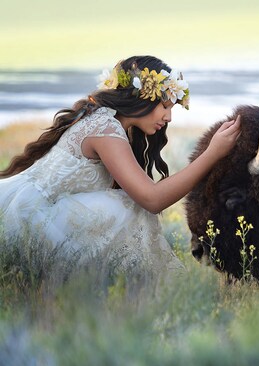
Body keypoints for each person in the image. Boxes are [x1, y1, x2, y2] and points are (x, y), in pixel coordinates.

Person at [0, 54, 241, 285]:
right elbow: (152, 199)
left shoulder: (106, 121)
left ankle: (127, 290)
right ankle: (148, 292)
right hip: (32, 219)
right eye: (165, 106)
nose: (168, 118)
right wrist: (212, 153)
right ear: (142, 98)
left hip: (36, 210)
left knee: (124, 202)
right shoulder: (106, 129)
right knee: (127, 206)